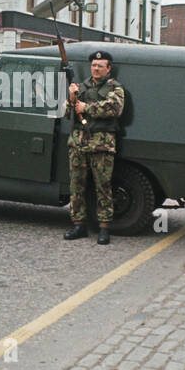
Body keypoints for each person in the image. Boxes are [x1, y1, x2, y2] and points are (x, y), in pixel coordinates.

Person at [64, 50, 125, 245]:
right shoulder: (80, 87)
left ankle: (104, 228)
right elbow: (65, 113)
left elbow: (115, 108)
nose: (96, 68)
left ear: (109, 68)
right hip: (78, 144)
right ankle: (78, 224)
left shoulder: (115, 88)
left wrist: (86, 108)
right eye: (93, 65)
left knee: (103, 187)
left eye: (100, 66)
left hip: (101, 145)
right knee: (76, 186)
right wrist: (72, 99)